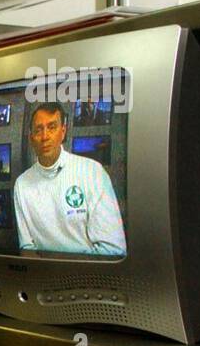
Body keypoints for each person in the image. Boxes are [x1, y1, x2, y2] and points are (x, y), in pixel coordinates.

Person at [12, 103, 126, 256]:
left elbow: (113, 250)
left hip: (89, 277)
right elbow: (27, 248)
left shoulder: (92, 172)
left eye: (52, 127)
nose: (45, 136)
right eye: (39, 130)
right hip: (43, 275)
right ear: (32, 138)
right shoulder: (22, 184)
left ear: (63, 132)